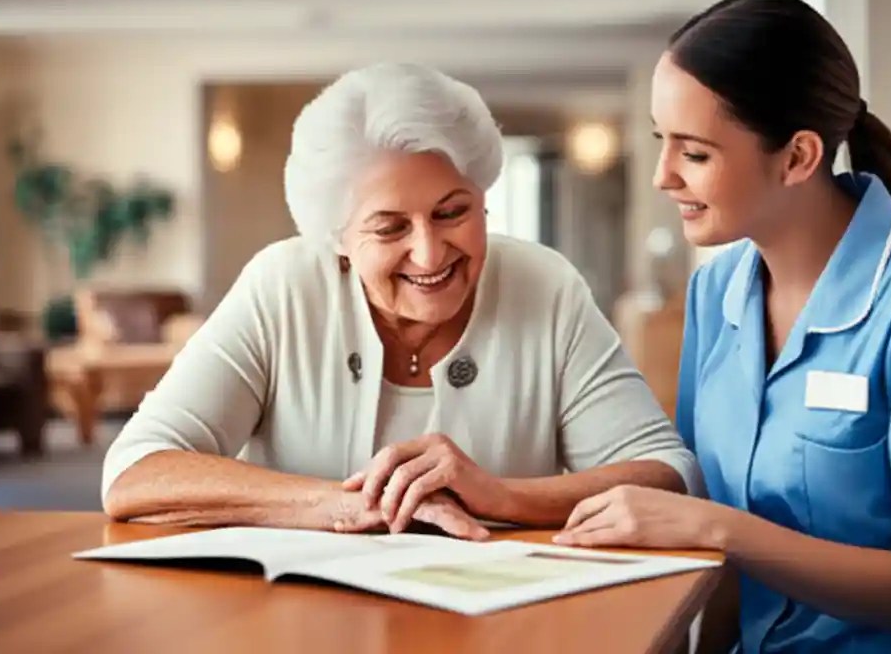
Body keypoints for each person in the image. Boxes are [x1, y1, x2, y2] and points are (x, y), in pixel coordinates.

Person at [554, 0, 891, 652]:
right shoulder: (716, 293)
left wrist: (714, 526)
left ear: (799, 157)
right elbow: (722, 574)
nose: (665, 175)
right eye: (662, 140)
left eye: (694, 153)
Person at [101, 63, 699, 541]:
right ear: (337, 239)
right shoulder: (282, 286)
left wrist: (502, 496)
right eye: (390, 228)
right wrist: (335, 503)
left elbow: (667, 474)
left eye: (452, 212)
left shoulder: (545, 286)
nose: (430, 253)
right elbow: (135, 472)